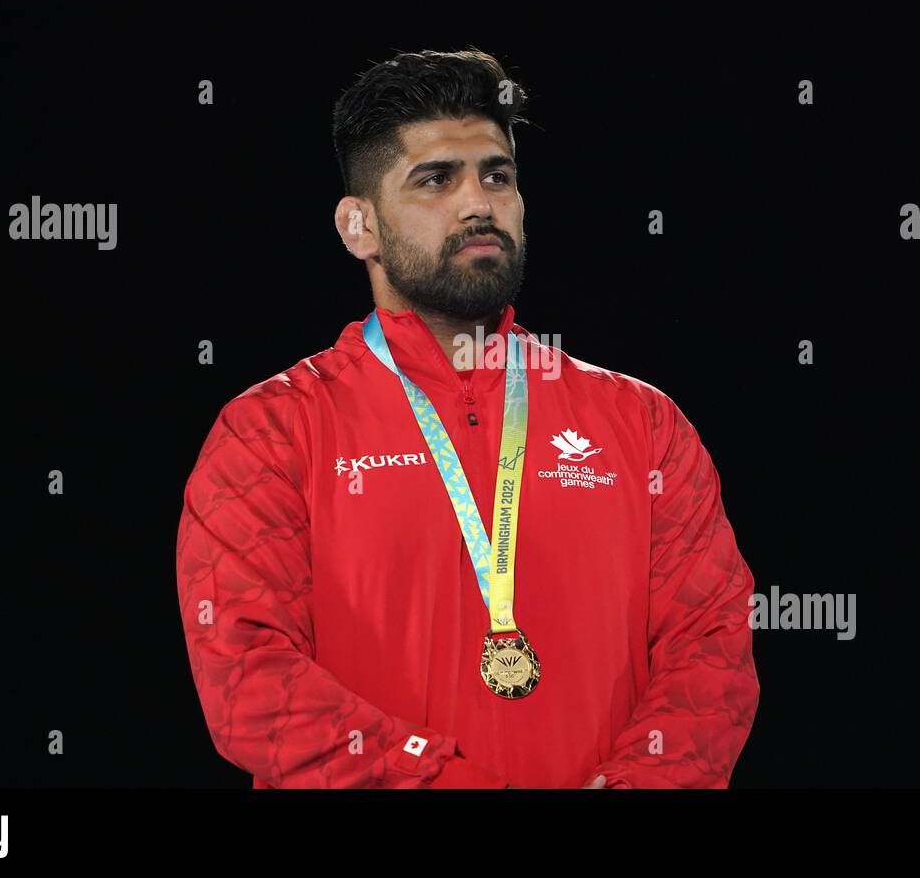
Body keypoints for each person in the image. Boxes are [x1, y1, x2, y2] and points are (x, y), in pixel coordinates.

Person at [175, 48, 760, 788]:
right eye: (435, 179)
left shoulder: (643, 423)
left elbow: (711, 652)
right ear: (359, 226)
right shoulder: (271, 432)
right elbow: (247, 683)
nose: (478, 201)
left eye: (498, 175)